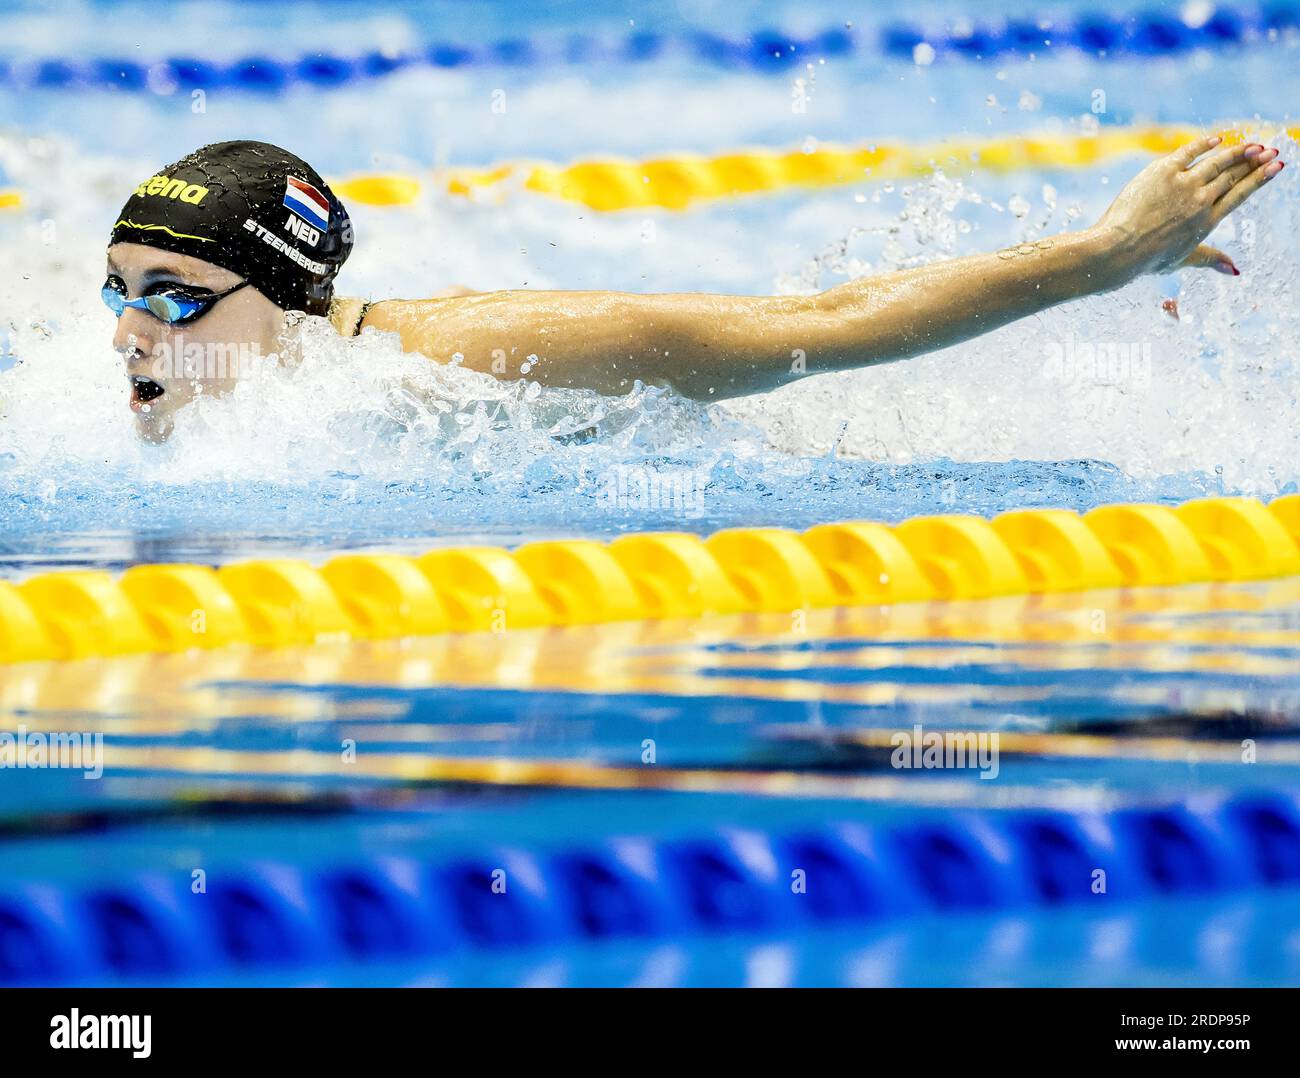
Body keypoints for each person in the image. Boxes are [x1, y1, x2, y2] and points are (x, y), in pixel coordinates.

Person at [106, 137, 1284, 442]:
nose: (129, 334)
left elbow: (817, 326)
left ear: (289, 296)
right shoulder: (167, 397)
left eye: (172, 294)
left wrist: (1100, 257)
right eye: (118, 291)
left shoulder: (468, 357)